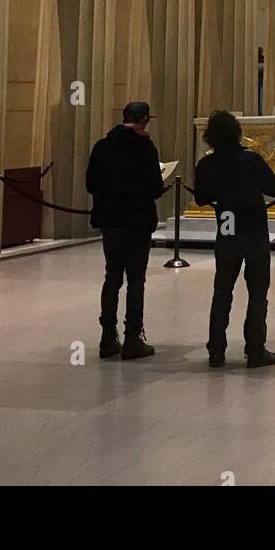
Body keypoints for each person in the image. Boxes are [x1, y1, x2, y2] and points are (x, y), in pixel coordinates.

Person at [193, 110, 275, 369]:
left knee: (222, 292)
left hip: (227, 228)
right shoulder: (250, 160)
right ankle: (255, 349)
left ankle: (216, 351)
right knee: (257, 292)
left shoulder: (206, 164)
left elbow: (200, 197)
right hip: (253, 229)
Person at [85, 101, 165, 361]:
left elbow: (91, 184)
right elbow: (154, 189)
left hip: (111, 222)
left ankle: (107, 337)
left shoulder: (102, 146)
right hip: (137, 223)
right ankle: (132, 338)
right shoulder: (145, 149)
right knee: (136, 281)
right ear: (144, 120)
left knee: (112, 278)